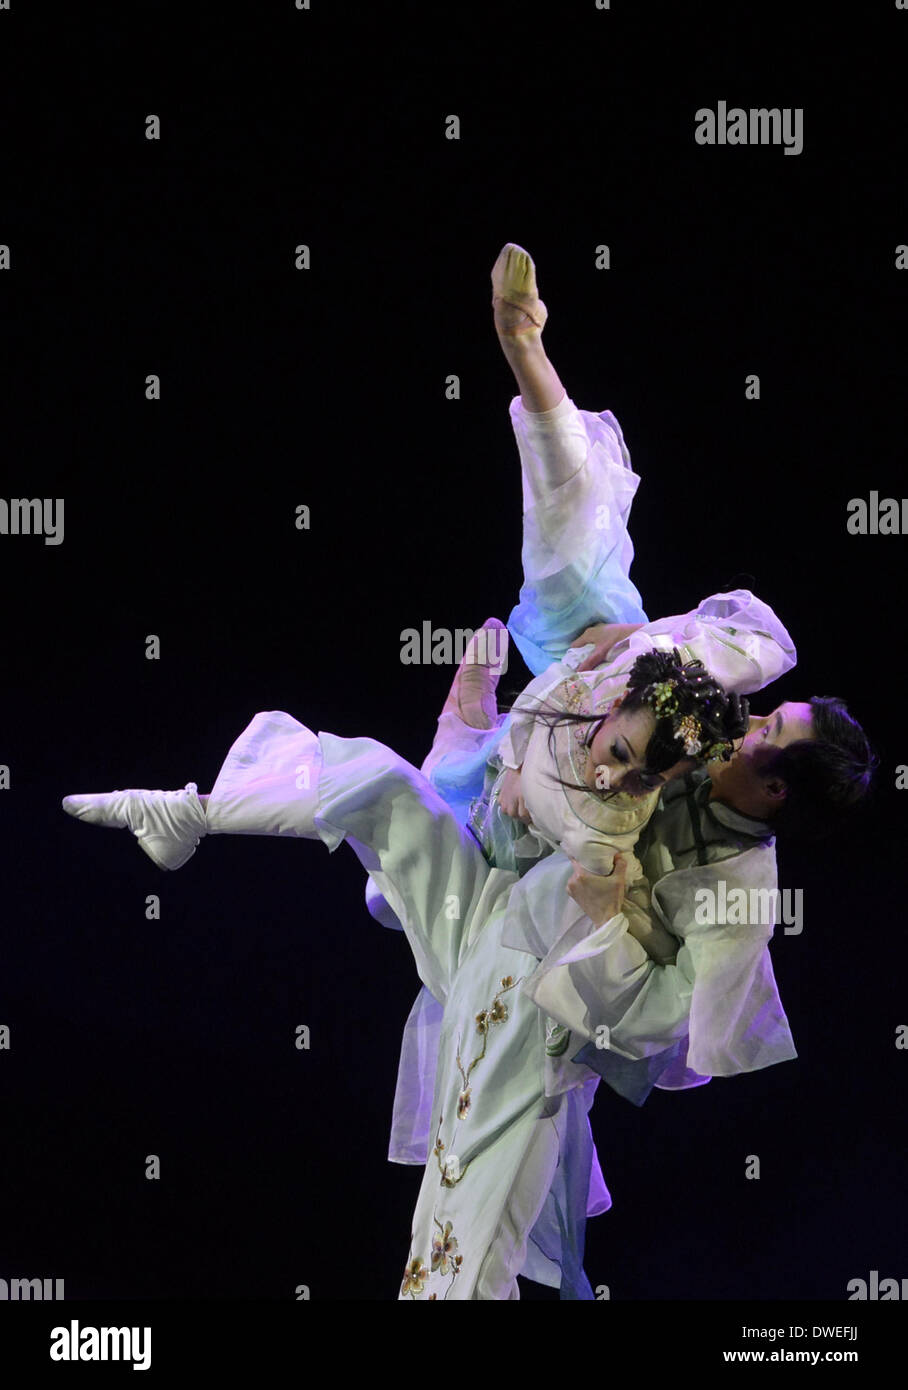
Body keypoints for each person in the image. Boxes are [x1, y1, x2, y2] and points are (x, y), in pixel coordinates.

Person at [59, 245, 875, 1300]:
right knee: (371, 781)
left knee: (464, 1225)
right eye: (762, 714)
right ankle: (193, 812)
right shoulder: (672, 687)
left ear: (774, 795)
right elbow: (576, 538)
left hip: (538, 1006)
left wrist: (622, 919)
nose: (750, 727)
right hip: (480, 909)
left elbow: (682, 1028)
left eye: (768, 740)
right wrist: (527, 354)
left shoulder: (737, 887)